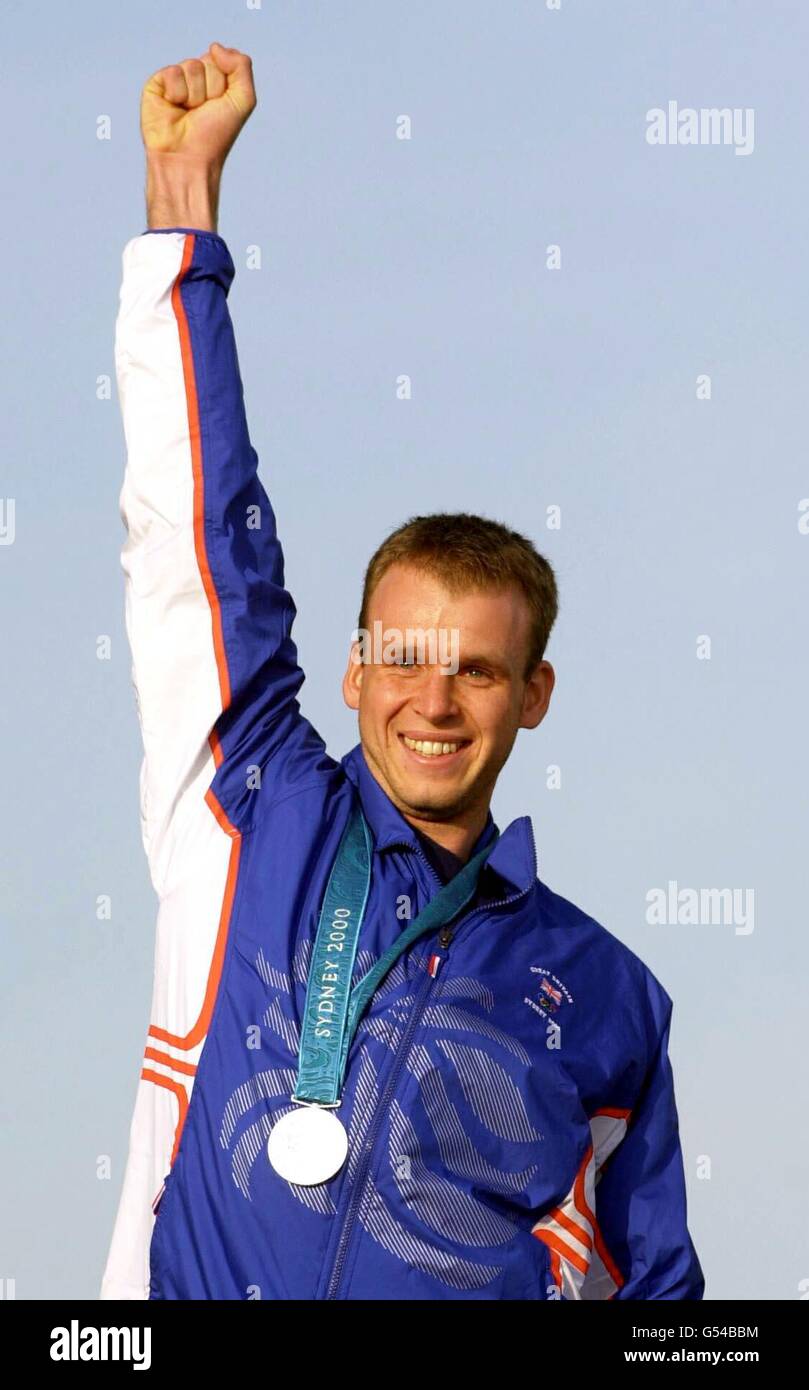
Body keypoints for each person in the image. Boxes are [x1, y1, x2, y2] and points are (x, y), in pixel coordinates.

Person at [101, 41, 704, 1302]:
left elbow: (658, 1309)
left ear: (533, 695)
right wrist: (181, 214)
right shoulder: (244, 812)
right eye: (407, 659)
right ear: (355, 668)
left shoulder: (607, 1000)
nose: (435, 701)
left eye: (478, 672)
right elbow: (197, 536)